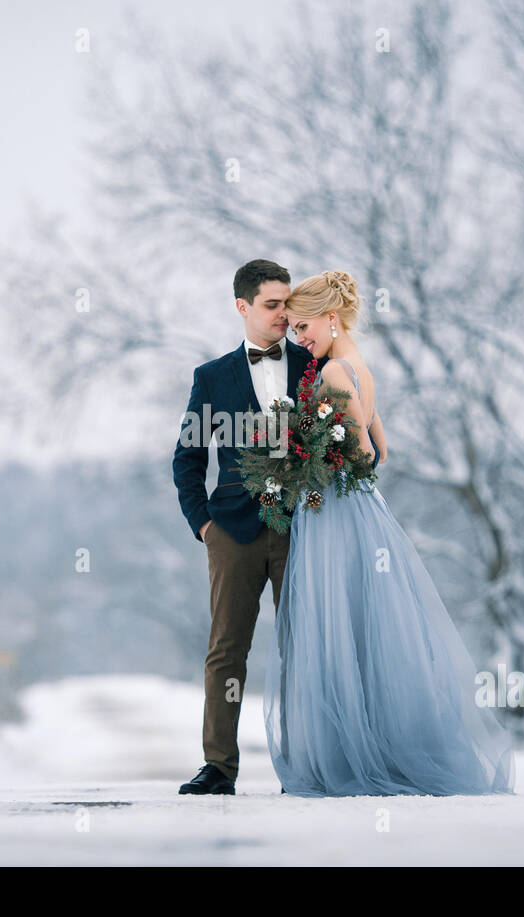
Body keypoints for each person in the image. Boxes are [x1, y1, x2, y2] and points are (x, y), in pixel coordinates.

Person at [265, 270, 516, 797]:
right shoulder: (358, 368)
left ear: (331, 319)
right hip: (358, 507)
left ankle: (351, 758)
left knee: (338, 624)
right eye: (293, 331)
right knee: (364, 624)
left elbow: (358, 453)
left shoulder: (333, 371)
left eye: (304, 327)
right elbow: (382, 451)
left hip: (335, 510)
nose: (298, 338)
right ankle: (371, 744)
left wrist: (302, 454)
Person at [171, 259, 317, 795]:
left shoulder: (313, 366)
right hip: (231, 531)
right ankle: (219, 767)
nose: (284, 315)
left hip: (304, 527)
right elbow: (187, 458)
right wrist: (204, 526)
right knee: (227, 649)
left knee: (306, 645)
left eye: (288, 305)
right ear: (243, 306)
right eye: (272, 305)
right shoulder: (210, 378)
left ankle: (307, 763)